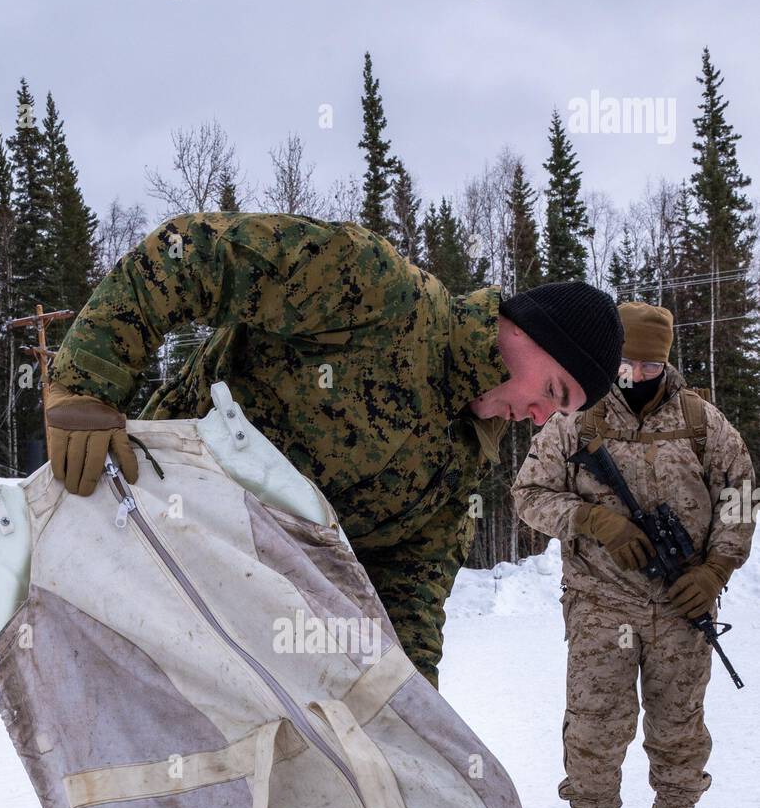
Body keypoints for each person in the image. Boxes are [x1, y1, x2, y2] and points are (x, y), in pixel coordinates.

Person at [46, 210, 622, 686]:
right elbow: (193, 255)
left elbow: (408, 601)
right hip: (146, 537)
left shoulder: (458, 467)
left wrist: (411, 719)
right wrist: (86, 386)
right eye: (552, 391)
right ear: (521, 329)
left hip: (242, 636)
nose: (539, 417)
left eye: (557, 412)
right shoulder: (379, 293)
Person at [512, 301, 755, 808]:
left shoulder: (702, 421)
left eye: (646, 367)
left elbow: (741, 496)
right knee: (595, 720)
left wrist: (716, 571)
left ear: (664, 363)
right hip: (601, 602)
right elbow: (529, 495)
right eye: (624, 363)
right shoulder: (576, 418)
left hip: (682, 603)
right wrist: (596, 522)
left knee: (679, 721)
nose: (633, 376)